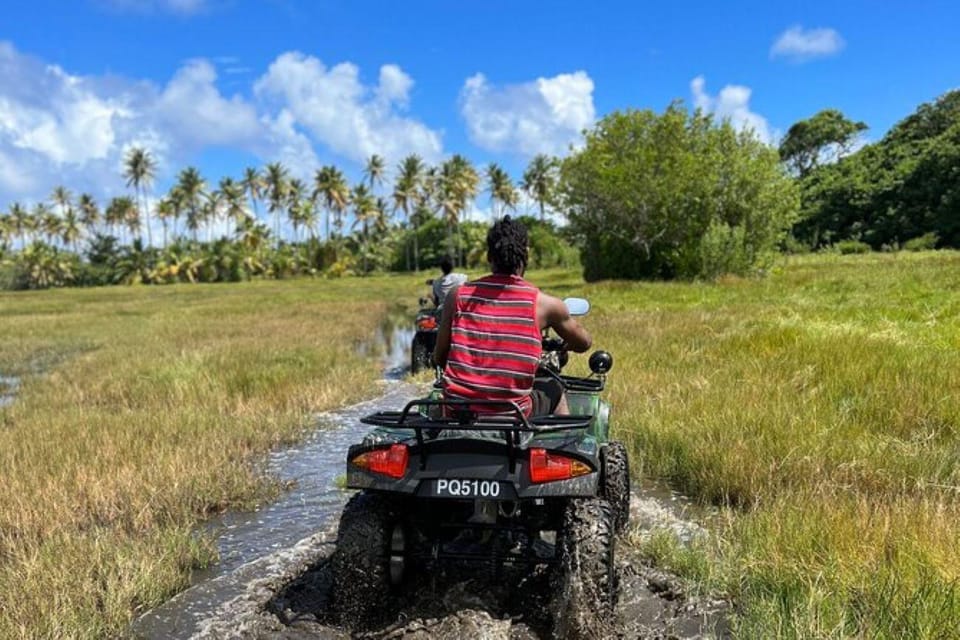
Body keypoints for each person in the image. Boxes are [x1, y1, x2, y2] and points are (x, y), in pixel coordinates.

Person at [433, 216, 592, 417]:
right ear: (526, 255)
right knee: (554, 387)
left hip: (457, 412)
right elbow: (584, 343)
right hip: (512, 415)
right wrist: (569, 344)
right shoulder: (546, 305)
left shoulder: (457, 295)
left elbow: (440, 357)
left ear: (489, 256)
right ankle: (562, 443)